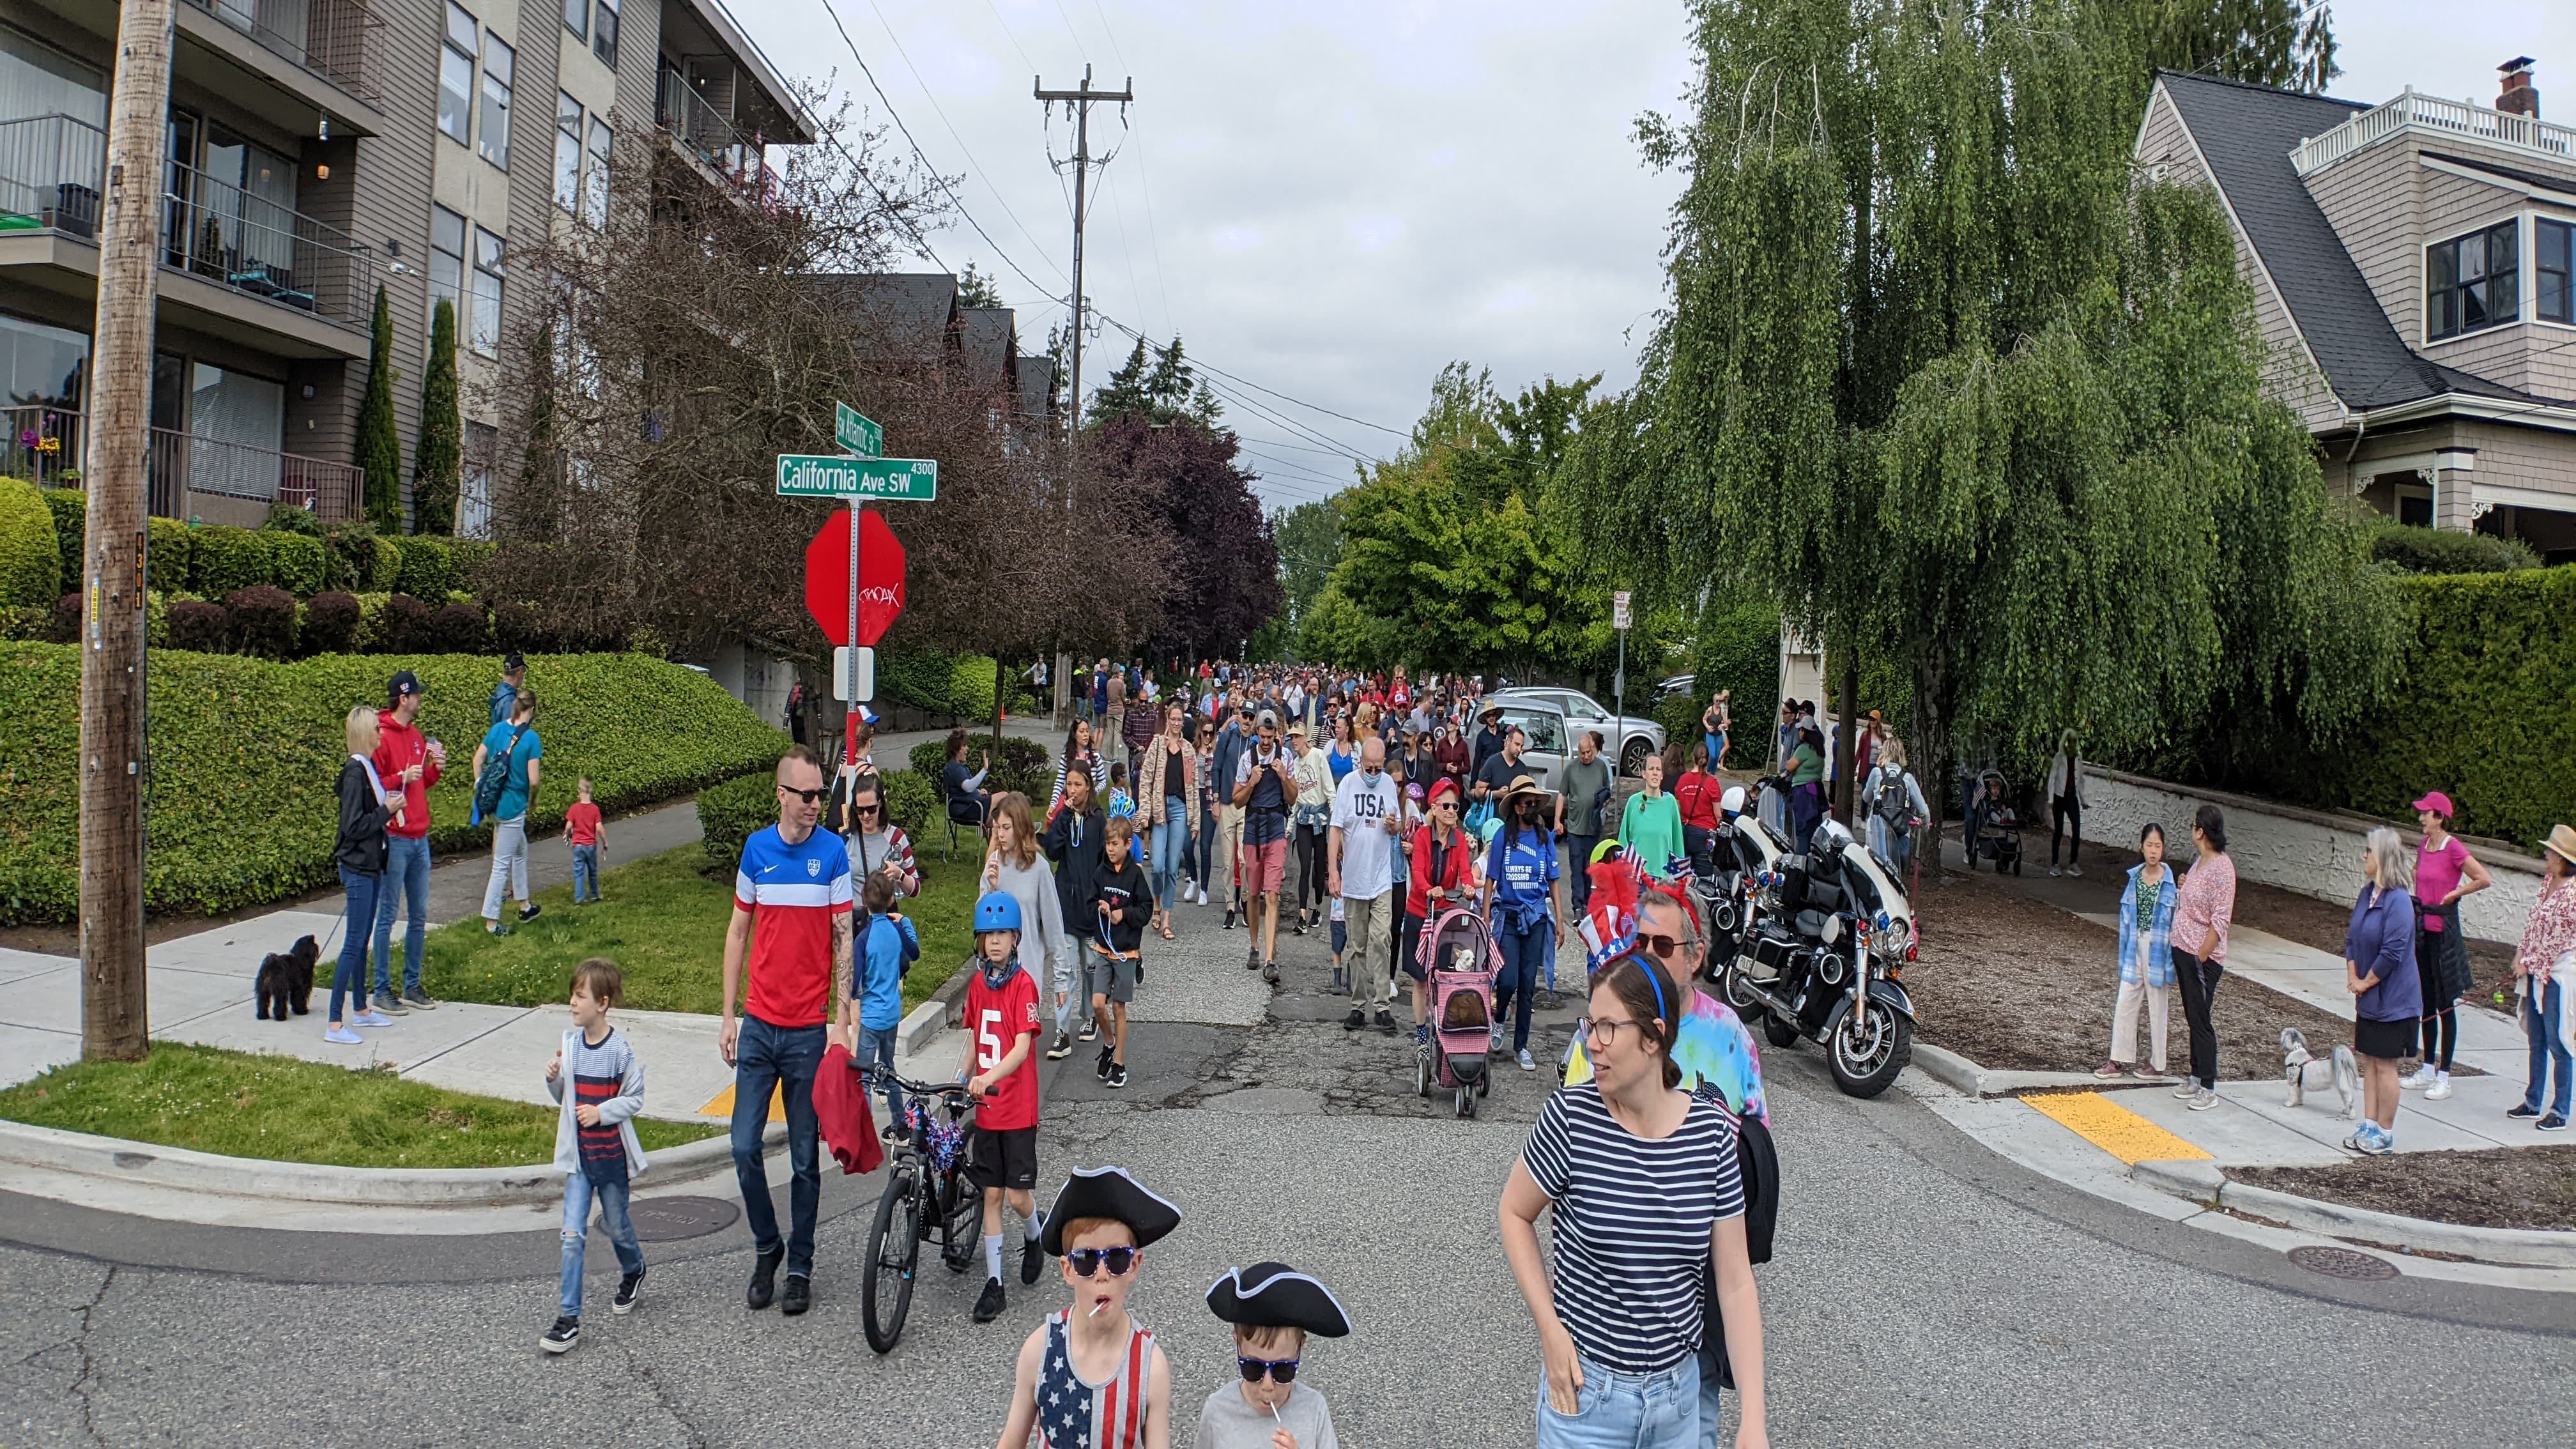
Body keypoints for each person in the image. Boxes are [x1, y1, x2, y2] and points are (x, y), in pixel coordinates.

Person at [1501, 951, 1768, 1449]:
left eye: (1607, 1028)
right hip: (1586, 1402)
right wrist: (1550, 1329)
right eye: (1589, 1025)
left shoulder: (1711, 1134)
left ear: (1653, 1036)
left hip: (1679, 1404)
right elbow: (1514, 1212)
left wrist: (1753, 1418)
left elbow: (1735, 1281)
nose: (1591, 1043)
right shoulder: (1571, 1117)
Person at [718, 747, 854, 1318]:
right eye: (806, 795)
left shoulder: (833, 853)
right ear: (781, 796)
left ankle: (799, 1263)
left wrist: (841, 1023)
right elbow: (737, 932)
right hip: (758, 1026)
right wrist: (728, 1016)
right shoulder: (757, 851)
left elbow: (845, 937)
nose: (816, 804)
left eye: (821, 794)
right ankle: (766, 1246)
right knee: (745, 1147)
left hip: (806, 1034)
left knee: (803, 1158)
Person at [995, 1167, 1181, 1449]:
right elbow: (1011, 1441)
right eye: (1086, 1260)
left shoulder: (1149, 1367)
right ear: (1068, 1270)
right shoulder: (1040, 1350)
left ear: (1134, 1266)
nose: (1102, 1274)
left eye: (1117, 1258)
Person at [539, 958, 648, 1353]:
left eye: (579, 995)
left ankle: (634, 1268)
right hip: (580, 1162)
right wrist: (553, 1079)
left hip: (611, 1159)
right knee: (572, 1236)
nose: (572, 1002)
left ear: (602, 1003)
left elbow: (635, 1098)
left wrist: (603, 1112)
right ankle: (568, 1318)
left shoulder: (619, 1051)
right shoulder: (570, 1048)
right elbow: (564, 1101)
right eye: (573, 993)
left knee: (618, 1227)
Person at [962, 890, 1048, 1324]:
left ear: (1015, 937)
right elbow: (976, 1039)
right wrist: (962, 1078)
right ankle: (994, 1284)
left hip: (1016, 1107)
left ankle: (1036, 1234)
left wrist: (988, 1078)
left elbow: (1019, 1048)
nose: (994, 942)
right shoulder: (978, 985)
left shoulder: (1024, 985)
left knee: (1017, 1198)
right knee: (990, 1194)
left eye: (1002, 933)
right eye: (987, 935)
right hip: (986, 1109)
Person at [1197, 1262, 1351, 1449]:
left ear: (1300, 1347)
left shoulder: (1313, 1409)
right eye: (1253, 1368)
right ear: (1237, 1343)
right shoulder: (1218, 1410)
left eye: (1283, 1370)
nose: (1268, 1386)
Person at [2405, 790, 2490, 1102]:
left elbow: (2483, 878)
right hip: (2422, 931)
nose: (2421, 818)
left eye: (2426, 813)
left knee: (2445, 1003)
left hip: (2444, 933)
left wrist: (2456, 894)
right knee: (2426, 1000)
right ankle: (2427, 1068)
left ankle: (2445, 1075)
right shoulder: (2424, 846)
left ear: (2439, 817)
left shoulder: (2453, 848)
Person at [369, 670, 446, 1015]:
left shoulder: (417, 736)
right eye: (416, 695)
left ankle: (412, 985)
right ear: (404, 698)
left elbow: (419, 785)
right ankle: (381, 989)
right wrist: (402, 776)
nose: (420, 700)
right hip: (396, 838)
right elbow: (374, 784)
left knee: (419, 915)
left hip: (420, 838)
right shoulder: (381, 737)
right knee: (387, 915)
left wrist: (434, 769)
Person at [2344, 827, 2423, 1155]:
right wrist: (2353, 974)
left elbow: (2392, 953)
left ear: (2384, 858)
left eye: (2369, 851)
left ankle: (2385, 1133)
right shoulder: (2367, 894)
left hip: (2395, 1001)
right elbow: (2352, 939)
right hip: (2369, 999)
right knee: (2370, 1061)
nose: (2365, 856)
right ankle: (2369, 1124)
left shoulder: (2400, 902)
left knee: (2386, 1064)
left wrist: (2366, 981)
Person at [328, 705, 400, 1046]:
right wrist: (387, 811)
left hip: (370, 864)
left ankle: (360, 1008)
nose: (380, 733)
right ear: (363, 733)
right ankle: (334, 1023)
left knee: (361, 940)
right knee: (353, 943)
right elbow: (353, 826)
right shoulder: (356, 774)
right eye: (376, 728)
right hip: (357, 865)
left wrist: (387, 808)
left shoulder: (367, 768)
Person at [1485, 776, 1563, 1072]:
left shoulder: (1545, 840)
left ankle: (1521, 1046)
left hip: (1536, 919)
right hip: (1508, 915)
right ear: (1517, 808)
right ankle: (1499, 1017)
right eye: (1528, 803)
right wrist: (1485, 917)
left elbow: (1554, 882)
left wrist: (1559, 920)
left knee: (1528, 986)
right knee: (1506, 980)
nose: (1533, 808)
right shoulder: (1503, 838)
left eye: (1535, 803)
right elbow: (1490, 880)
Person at [1330, 737, 1404, 1036]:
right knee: (1357, 945)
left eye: (1378, 768)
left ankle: (1383, 1004)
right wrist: (1333, 871)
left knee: (1381, 939)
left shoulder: (1388, 784)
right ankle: (1358, 1005)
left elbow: (1397, 825)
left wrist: (1393, 825)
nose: (1374, 774)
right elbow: (1336, 828)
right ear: (1361, 762)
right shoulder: (1348, 784)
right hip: (1355, 879)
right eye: (1369, 769)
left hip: (1381, 878)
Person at [2098, 824, 2179, 1081]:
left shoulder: (2170, 883)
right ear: (2141, 847)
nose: (2153, 851)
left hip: (2158, 950)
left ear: (2163, 849)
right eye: (2149, 845)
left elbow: (2175, 923)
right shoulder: (2134, 879)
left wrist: (2170, 962)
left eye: (2158, 846)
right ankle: (2117, 1060)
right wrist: (2124, 955)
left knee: (2158, 1007)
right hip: (2135, 947)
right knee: (2125, 1003)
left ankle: (2158, 1064)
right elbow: (2125, 920)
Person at [2509, 823, 2576, 1132]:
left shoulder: (2573, 895)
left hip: (2559, 973)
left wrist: (2529, 963)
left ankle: (2560, 1110)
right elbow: (2534, 924)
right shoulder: (2548, 881)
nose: (2545, 854)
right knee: (2535, 1039)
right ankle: (2532, 1100)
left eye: (2550, 850)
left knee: (2558, 1041)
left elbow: (2557, 942)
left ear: (2562, 858)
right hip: (2535, 969)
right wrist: (2521, 953)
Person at [2170, 804, 2236, 1110]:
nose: (2191, 830)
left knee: (2201, 1018)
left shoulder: (2223, 868)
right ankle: (2195, 1075)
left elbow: (2220, 918)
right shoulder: (2200, 862)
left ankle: (2209, 1084)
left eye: (2194, 825)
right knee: (2192, 1016)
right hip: (2182, 949)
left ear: (2202, 831)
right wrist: (2185, 885)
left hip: (2202, 958)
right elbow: (2194, 898)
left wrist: (2202, 953)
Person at [1402, 778, 1477, 1049]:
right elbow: (1418, 872)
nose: (1451, 811)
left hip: (1444, 915)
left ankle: (1444, 1028)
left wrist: (1468, 886)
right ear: (1433, 808)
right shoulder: (1423, 835)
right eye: (1446, 805)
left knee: (1445, 976)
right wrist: (1429, 889)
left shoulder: (1459, 841)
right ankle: (1422, 1036)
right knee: (1421, 979)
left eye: (1455, 806)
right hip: (1419, 912)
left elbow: (1465, 870)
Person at [1043, 765, 1110, 1061]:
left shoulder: (1098, 820)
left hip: (1091, 907)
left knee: (1090, 966)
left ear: (1088, 787)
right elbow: (1053, 852)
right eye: (1068, 784)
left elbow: (1104, 861)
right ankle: (1061, 1032)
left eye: (1078, 784)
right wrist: (1063, 817)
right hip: (1067, 905)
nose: (1072, 790)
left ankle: (1090, 1015)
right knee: (1066, 970)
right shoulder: (1064, 817)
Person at [1232, 708, 1301, 983]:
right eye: (1261, 736)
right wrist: (1251, 783)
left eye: (1270, 737)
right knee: (1253, 893)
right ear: (1256, 734)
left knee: (1272, 893)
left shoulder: (1285, 757)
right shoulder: (1247, 759)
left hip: (1275, 826)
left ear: (1276, 735)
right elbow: (1237, 800)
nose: (1265, 742)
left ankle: (1271, 959)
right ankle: (1254, 946)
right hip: (1252, 826)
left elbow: (1294, 798)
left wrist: (1284, 777)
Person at [848, 871, 919, 1136]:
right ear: (891, 900)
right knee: (888, 1068)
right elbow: (914, 952)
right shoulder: (897, 930)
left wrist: (855, 995)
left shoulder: (863, 939)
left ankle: (864, 1133)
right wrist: (906, 922)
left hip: (871, 1017)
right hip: (892, 1013)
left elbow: (856, 982)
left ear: (865, 902)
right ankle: (900, 1123)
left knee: (864, 1075)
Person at [473, 689, 544, 937]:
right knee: (501, 865)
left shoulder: (498, 731)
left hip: (494, 804)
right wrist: (533, 798)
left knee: (520, 850)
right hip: (513, 807)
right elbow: (534, 780)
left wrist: (480, 786)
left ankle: (525, 905)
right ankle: (492, 922)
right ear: (532, 710)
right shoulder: (531, 739)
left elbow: (478, 758)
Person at [1086, 815, 1148, 1091]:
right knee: (1098, 1003)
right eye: (1108, 844)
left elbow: (1146, 909)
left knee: (1118, 1007)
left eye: (1115, 844)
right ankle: (1109, 1044)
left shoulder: (1135, 876)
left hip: (1126, 953)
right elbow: (1089, 903)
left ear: (1128, 844)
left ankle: (1119, 1065)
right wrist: (1098, 908)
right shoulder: (1100, 872)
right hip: (1103, 949)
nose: (1110, 849)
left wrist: (1124, 914)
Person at [1137, 703, 1199, 942]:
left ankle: (1166, 919)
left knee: (1174, 866)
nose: (1176, 723)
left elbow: (1193, 787)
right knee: (1159, 865)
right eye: (1173, 719)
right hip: (1160, 807)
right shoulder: (1157, 745)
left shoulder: (1189, 750)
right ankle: (1157, 901)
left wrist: (1195, 822)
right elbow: (1146, 781)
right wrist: (1145, 811)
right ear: (1167, 719)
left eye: (1179, 719)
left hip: (1180, 808)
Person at [1559, 732, 1614, 916]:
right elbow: (1561, 794)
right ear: (1578, 751)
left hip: (1593, 825)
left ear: (1593, 749)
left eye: (1589, 752)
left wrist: (1603, 801)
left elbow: (1607, 791)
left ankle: (1589, 903)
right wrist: (1558, 820)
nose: (1586, 756)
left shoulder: (1601, 767)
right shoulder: (1572, 769)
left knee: (1590, 868)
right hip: (1575, 826)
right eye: (1583, 753)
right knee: (1576, 866)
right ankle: (1577, 906)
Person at [1289, 721, 1335, 935]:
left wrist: (1335, 823)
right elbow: (1295, 799)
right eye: (1291, 738)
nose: (1294, 741)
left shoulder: (1317, 756)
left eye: (1297, 736)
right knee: (1304, 867)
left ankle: (1317, 907)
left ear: (1305, 737)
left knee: (1318, 869)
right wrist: (1289, 826)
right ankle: (1302, 915)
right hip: (1303, 819)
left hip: (1321, 819)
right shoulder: (1294, 764)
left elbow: (1329, 789)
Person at [1860, 740, 1929, 880]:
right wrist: (1925, 825)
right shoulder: (1908, 778)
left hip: (1876, 832)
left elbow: (1866, 798)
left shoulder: (1876, 773)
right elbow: (1923, 810)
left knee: (1876, 875)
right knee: (1896, 877)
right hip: (1900, 832)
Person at [1212, 704, 1254, 929]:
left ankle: (1245, 901)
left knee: (1244, 859)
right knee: (1228, 861)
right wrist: (1216, 800)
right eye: (1244, 716)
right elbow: (1216, 767)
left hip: (1246, 806)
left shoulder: (1256, 744)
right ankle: (1230, 906)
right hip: (1227, 803)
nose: (1247, 720)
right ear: (1239, 716)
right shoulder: (1228, 737)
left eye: (1250, 717)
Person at [1620, 753, 1685, 882]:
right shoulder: (1633, 802)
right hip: (1636, 878)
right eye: (1651, 769)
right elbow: (1623, 841)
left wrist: (1681, 877)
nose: (1655, 773)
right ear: (1644, 773)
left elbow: (1678, 842)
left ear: (1662, 776)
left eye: (1658, 770)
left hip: (1663, 879)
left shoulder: (1670, 802)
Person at [2044, 731, 2085, 878]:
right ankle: (2055, 863)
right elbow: (2052, 779)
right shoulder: (2059, 758)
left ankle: (2073, 863)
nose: (2072, 745)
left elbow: (2080, 781)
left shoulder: (2078, 758)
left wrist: (2083, 800)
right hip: (2059, 796)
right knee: (2059, 830)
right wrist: (2051, 799)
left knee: (2077, 827)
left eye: (2075, 741)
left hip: (2071, 796)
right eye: (2070, 741)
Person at [1784, 725, 1825, 850]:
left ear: (1805, 732)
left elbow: (1789, 766)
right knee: (1813, 831)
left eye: (1801, 730)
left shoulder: (1803, 749)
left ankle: (1801, 864)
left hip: (1803, 793)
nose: (1799, 733)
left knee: (1802, 832)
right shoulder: (1819, 749)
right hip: (1817, 790)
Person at [1193, 718, 1220, 907]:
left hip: (1209, 798)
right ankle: (1193, 879)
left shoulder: (1217, 752)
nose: (1208, 736)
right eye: (1205, 733)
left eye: (1211, 733)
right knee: (1187, 845)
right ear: (1200, 733)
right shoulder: (1192, 750)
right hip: (1194, 798)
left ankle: (1204, 889)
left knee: (1205, 846)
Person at [945, 729, 994, 831]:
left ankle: (998, 839)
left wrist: (978, 792)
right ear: (956, 748)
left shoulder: (954, 766)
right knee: (1004, 797)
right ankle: (1021, 830)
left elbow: (961, 790)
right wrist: (984, 770)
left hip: (968, 806)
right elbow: (968, 787)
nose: (967, 749)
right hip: (965, 809)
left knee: (998, 815)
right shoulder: (956, 768)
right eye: (964, 745)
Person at [567, 777, 606, 905]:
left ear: (579, 791)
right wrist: (605, 842)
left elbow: (569, 825)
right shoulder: (595, 809)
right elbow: (599, 828)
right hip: (591, 846)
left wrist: (568, 835)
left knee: (579, 871)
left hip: (578, 845)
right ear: (591, 791)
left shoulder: (574, 808)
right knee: (593, 871)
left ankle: (579, 898)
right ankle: (594, 895)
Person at [1053, 719, 1105, 815]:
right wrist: (1053, 804)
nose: (1086, 734)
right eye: (1082, 731)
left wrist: (1092, 792)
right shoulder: (1067, 757)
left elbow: (1103, 782)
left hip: (1090, 807)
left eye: (1087, 731)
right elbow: (1060, 781)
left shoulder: (1096, 758)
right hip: (1070, 805)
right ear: (1075, 734)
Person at [491, 652, 526, 726]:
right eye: (524, 671)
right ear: (519, 672)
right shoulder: (510, 701)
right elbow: (509, 732)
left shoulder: (499, 693)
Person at [1701, 689, 1729, 773]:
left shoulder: (1723, 711)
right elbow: (1704, 719)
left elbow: (1726, 723)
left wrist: (1723, 726)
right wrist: (1707, 726)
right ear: (1714, 701)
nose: (1718, 702)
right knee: (1713, 755)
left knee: (1717, 756)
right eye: (1717, 701)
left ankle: (1712, 773)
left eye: (1720, 701)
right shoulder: (1710, 709)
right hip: (1710, 735)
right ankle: (1708, 771)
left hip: (1719, 735)